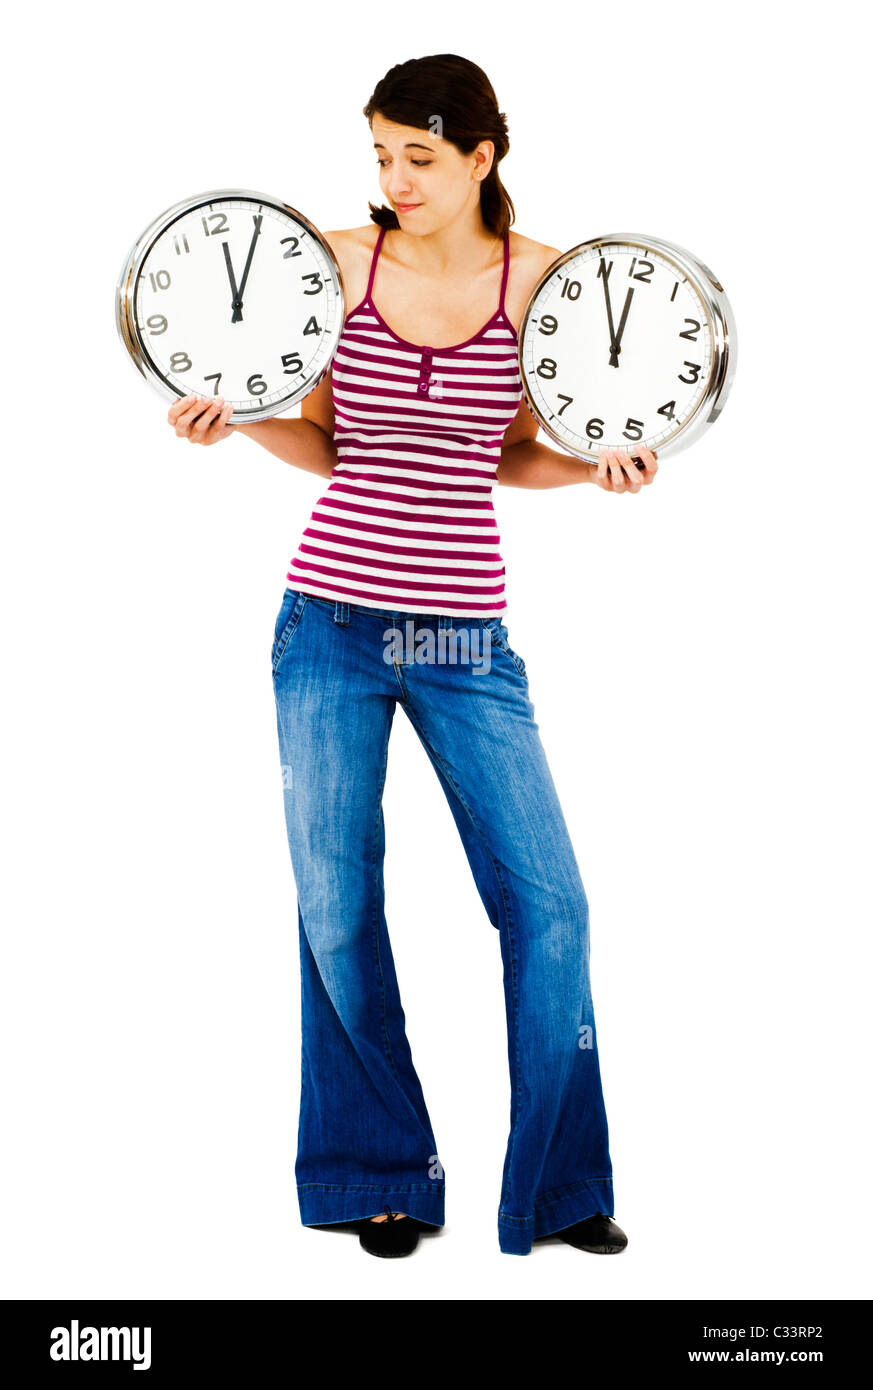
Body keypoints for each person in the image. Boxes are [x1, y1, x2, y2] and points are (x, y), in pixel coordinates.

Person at [166, 53, 658, 1258]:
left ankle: (560, 1189)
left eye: (418, 158)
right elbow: (330, 442)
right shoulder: (340, 261)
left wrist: (597, 467)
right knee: (336, 907)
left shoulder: (545, 282)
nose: (395, 179)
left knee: (552, 907)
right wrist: (238, 424)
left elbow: (511, 455)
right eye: (380, 154)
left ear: (484, 155)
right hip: (327, 624)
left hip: (464, 638)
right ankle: (374, 1174)